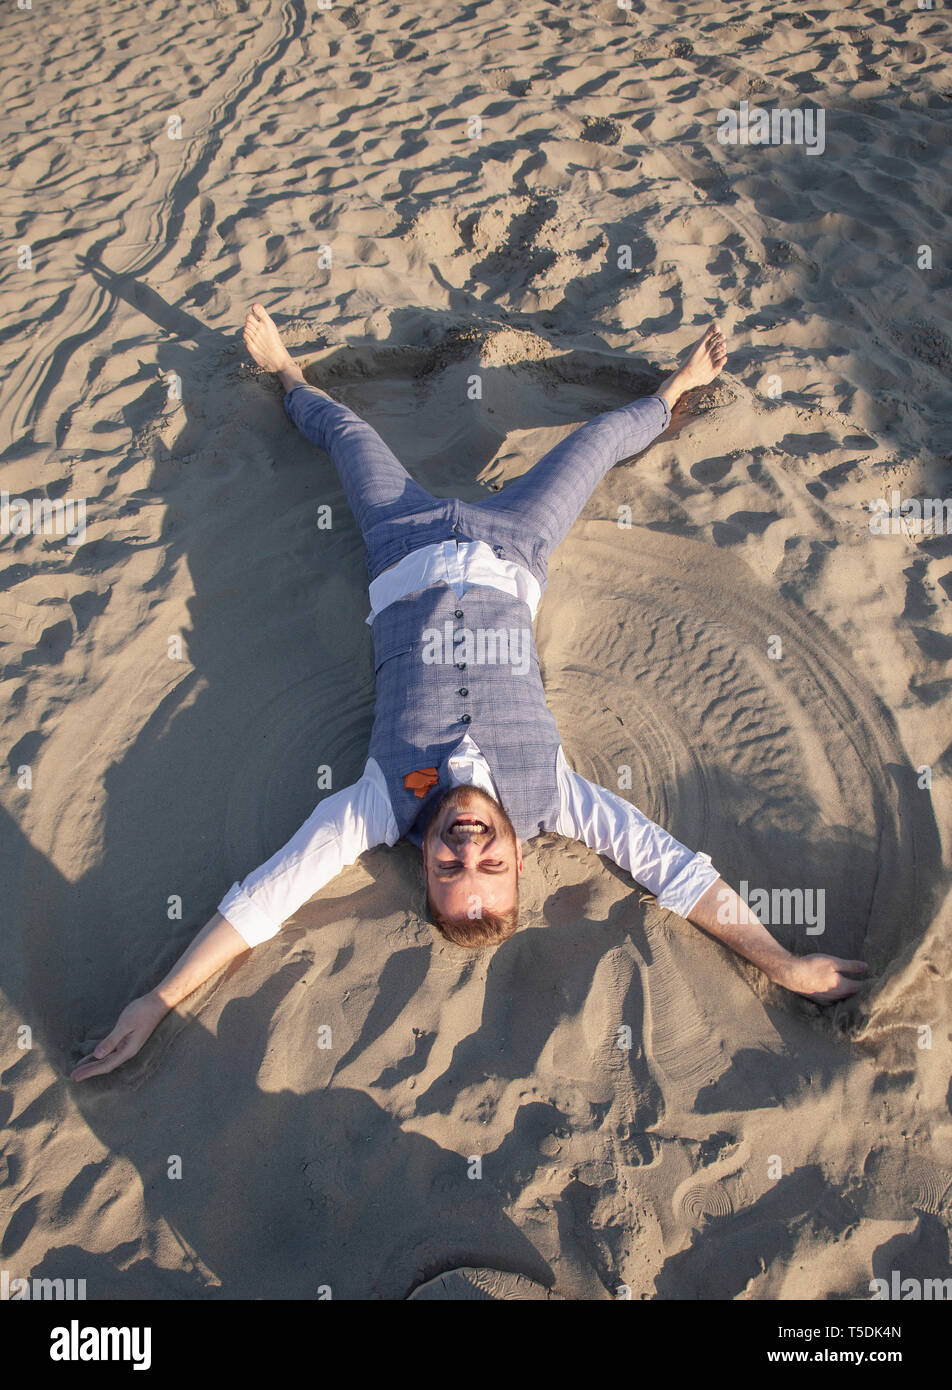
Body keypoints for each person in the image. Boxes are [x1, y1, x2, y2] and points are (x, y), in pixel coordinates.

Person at [71, 308, 867, 1081]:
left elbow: (266, 897)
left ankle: (284, 370)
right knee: (593, 447)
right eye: (491, 859)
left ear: (425, 864)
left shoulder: (382, 804)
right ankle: (675, 391)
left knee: (347, 435)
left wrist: (159, 1000)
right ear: (521, 856)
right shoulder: (554, 797)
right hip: (517, 545)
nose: (469, 845)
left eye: (453, 864)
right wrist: (785, 965)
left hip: (400, 540)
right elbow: (677, 874)